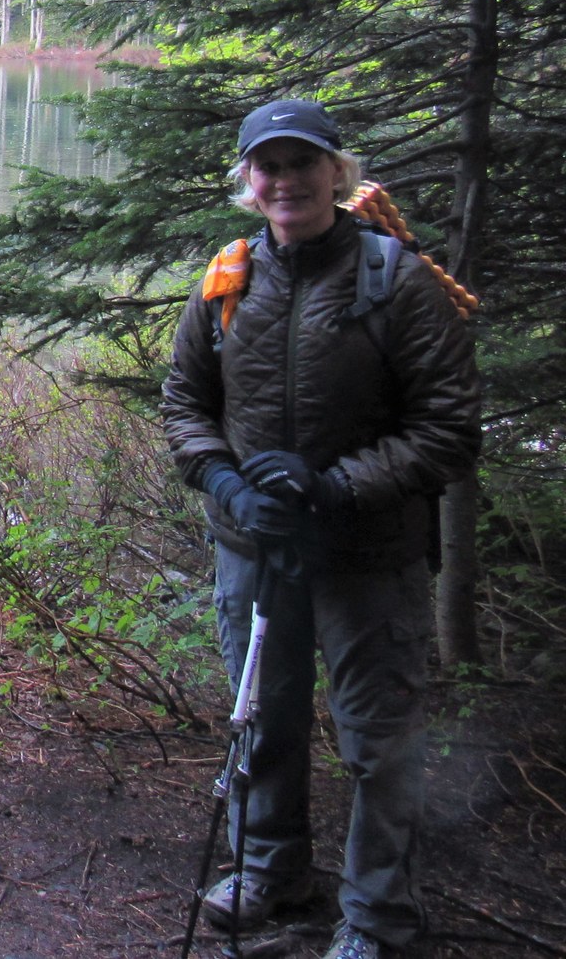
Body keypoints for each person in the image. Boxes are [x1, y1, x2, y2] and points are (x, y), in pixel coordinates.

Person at [163, 100, 482, 959]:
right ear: (248, 182)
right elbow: (186, 402)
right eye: (267, 166)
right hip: (257, 550)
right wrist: (229, 486)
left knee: (380, 743)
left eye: (302, 163)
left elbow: (449, 428)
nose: (285, 181)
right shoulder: (230, 278)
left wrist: (335, 487)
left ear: (337, 173)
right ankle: (271, 869)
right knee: (264, 720)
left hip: (369, 554)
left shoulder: (396, 279)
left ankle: (378, 916)